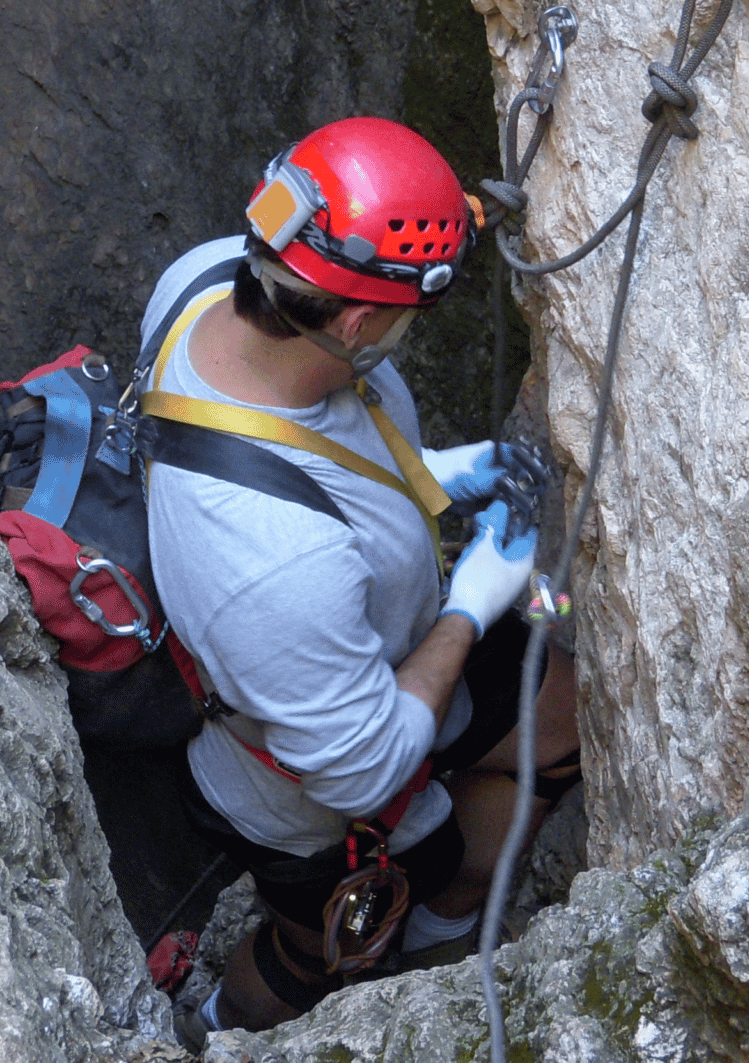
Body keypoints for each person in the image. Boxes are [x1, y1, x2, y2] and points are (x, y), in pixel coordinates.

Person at [146, 119, 580, 1049]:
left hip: (360, 631)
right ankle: (218, 1028)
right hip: (295, 777)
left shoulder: (207, 279)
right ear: (355, 323)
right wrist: (471, 607)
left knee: (561, 717)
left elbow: (313, 452)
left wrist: (433, 476)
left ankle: (440, 939)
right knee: (321, 954)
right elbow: (367, 768)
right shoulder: (272, 561)